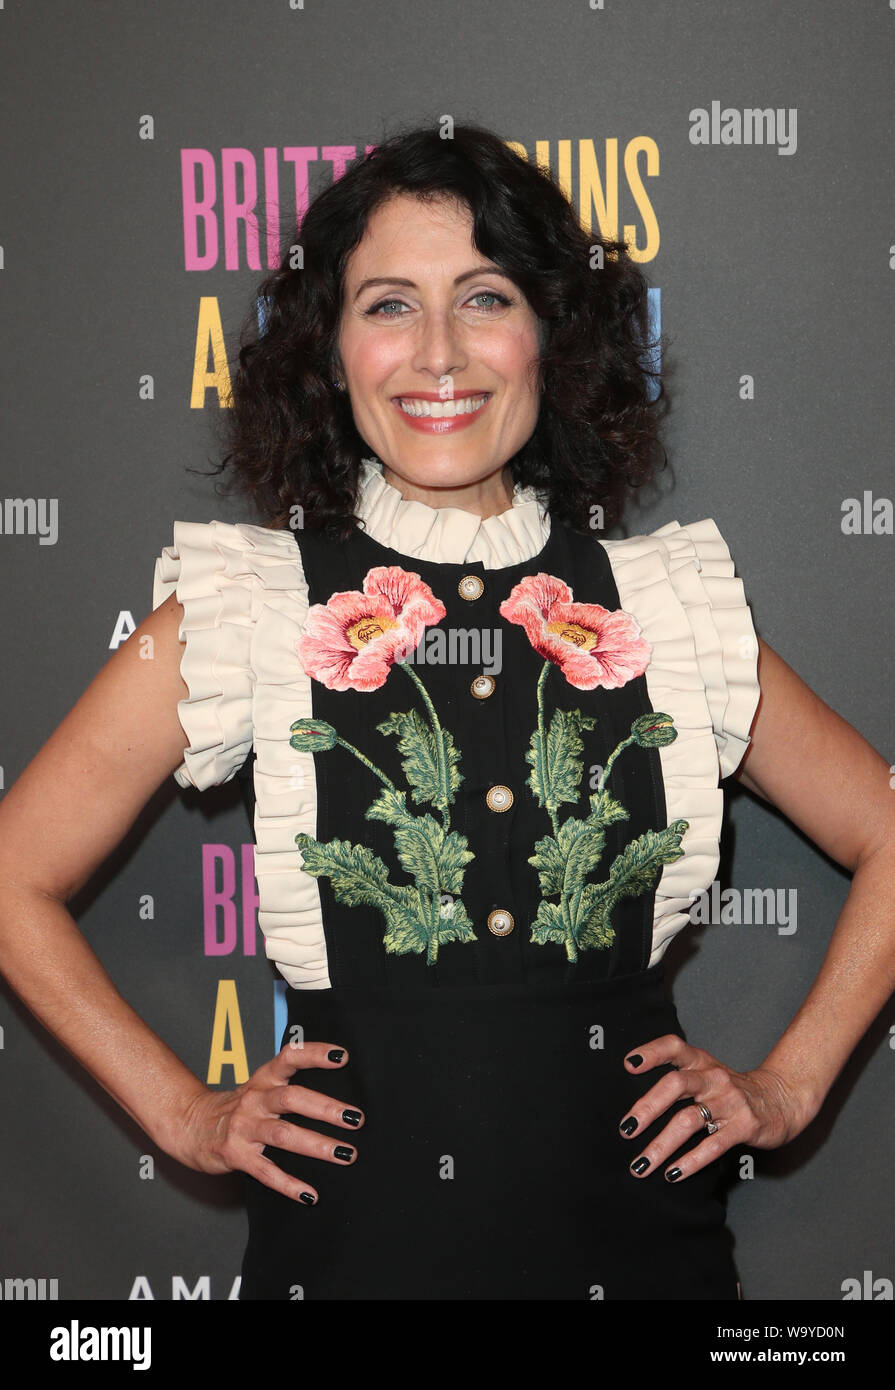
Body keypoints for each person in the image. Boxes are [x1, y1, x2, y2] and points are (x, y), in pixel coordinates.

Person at [1, 123, 893, 1302]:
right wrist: (184, 1111)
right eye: (386, 305)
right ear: (327, 348)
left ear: (548, 336)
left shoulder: (666, 609)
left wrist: (788, 1084)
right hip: (350, 1260)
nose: (436, 355)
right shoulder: (251, 609)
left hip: (644, 1263)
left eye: (482, 297)